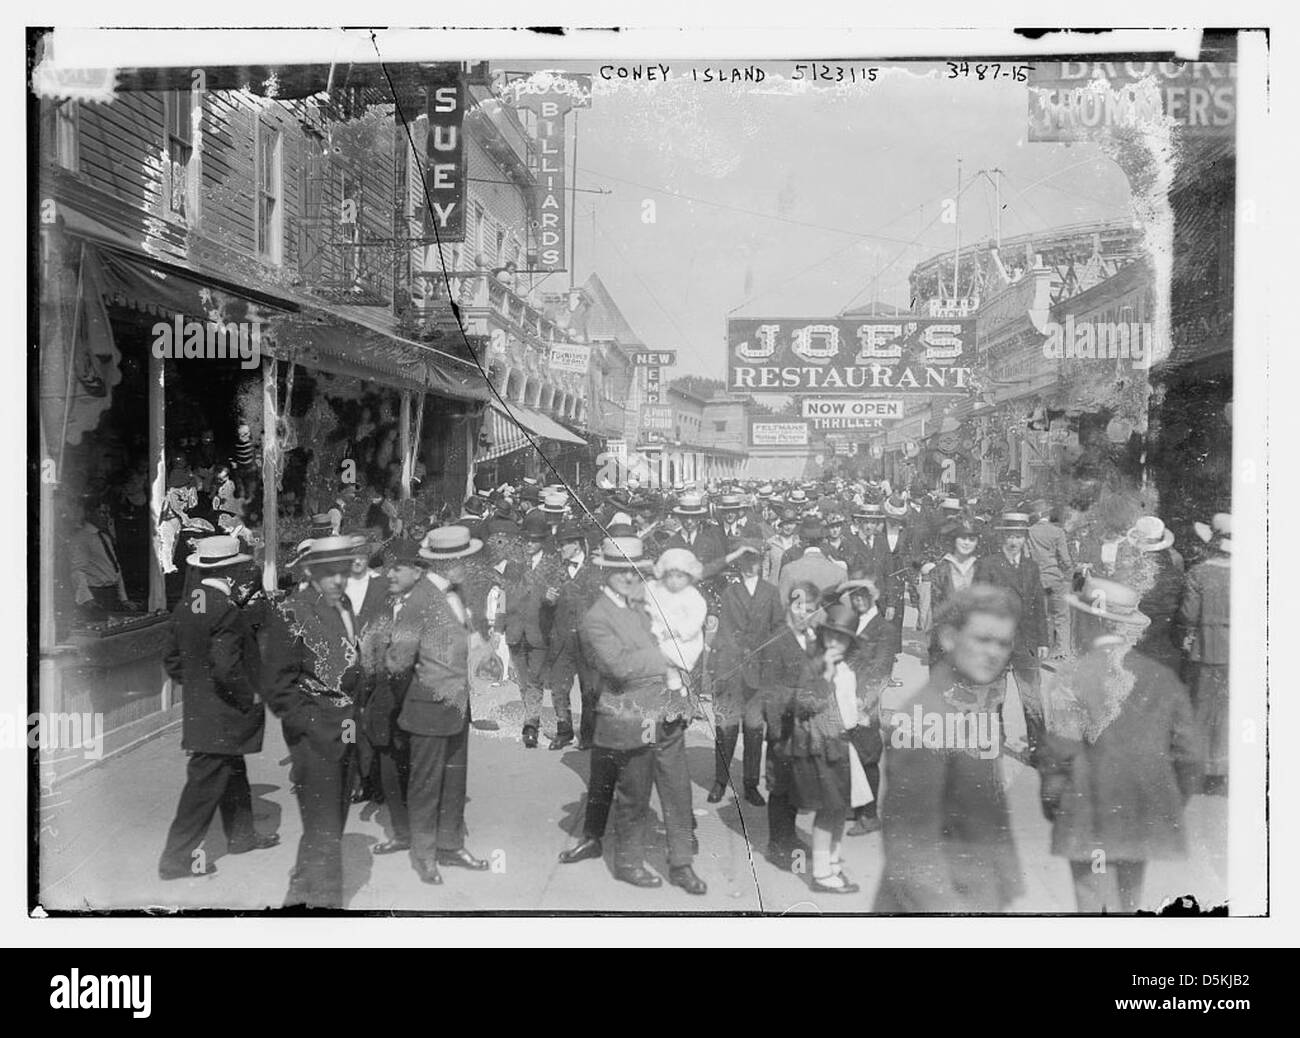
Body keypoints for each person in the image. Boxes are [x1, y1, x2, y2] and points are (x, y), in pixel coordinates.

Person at [1038, 577, 1205, 913]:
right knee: (1127, 907)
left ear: (1089, 620)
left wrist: (1054, 805)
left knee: (1092, 905)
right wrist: (1168, 800)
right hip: (1140, 812)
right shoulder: (1163, 677)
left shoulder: (1071, 676)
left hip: (1086, 811)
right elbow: (1191, 755)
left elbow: (1059, 754)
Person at [564, 535, 707, 894]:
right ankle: (628, 862)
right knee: (635, 793)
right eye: (620, 571)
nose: (629, 577)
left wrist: (684, 685)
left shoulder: (645, 604)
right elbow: (621, 667)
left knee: (677, 792)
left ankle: (681, 864)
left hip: (669, 712)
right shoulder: (597, 618)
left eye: (634, 571)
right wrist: (670, 652)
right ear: (605, 574)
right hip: (632, 717)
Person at [873, 586, 1025, 913]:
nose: (994, 653)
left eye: (1003, 643)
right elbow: (910, 847)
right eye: (982, 639)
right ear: (948, 639)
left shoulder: (969, 705)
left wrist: (1006, 890)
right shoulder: (925, 719)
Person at [157, 535, 278, 880]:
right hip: (224, 712)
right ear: (233, 571)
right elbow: (227, 666)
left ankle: (242, 836)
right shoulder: (225, 609)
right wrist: (248, 695)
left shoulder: (187, 604)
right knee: (203, 786)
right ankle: (176, 860)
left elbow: (172, 660)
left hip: (204, 710)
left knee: (232, 769)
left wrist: (199, 688)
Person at [262, 534, 372, 908]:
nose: (338, 580)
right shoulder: (291, 611)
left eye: (342, 571)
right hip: (315, 739)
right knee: (324, 829)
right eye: (329, 573)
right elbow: (277, 686)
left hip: (347, 729)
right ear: (309, 573)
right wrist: (309, 726)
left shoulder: (343, 605)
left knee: (330, 826)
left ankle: (299, 898)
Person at [398, 526, 492, 884]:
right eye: (464, 560)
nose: (468, 565)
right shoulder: (418, 599)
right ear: (447, 562)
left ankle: (450, 846)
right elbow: (399, 659)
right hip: (428, 707)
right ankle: (424, 855)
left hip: (457, 705)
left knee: (454, 782)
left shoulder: (457, 592)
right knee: (425, 785)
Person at [784, 602, 873, 893]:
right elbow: (804, 704)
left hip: (841, 742)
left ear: (849, 642)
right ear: (822, 637)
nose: (836, 642)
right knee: (827, 810)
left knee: (839, 808)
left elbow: (845, 704)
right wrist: (825, 675)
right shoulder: (815, 664)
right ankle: (821, 875)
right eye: (831, 636)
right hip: (821, 746)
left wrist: (857, 711)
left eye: (842, 637)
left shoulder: (845, 667)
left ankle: (833, 863)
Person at [356, 538, 433, 857]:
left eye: (399, 569)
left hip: (419, 696)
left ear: (417, 572)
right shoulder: (383, 602)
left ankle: (426, 833)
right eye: (390, 569)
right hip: (386, 697)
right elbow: (370, 644)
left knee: (420, 768)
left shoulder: (432, 604)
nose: (392, 575)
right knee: (389, 763)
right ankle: (401, 832)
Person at [708, 542, 783, 806]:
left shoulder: (771, 593)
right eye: (745, 560)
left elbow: (779, 630)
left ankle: (750, 784)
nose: (750, 565)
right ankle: (720, 781)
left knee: (754, 730)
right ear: (739, 563)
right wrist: (719, 670)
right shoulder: (729, 592)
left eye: (755, 561)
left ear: (762, 563)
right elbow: (722, 633)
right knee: (726, 729)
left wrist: (771, 663)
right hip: (731, 671)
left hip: (759, 673)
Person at [974, 512, 1050, 761]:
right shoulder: (988, 565)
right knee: (993, 696)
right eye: (1010, 535)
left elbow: (1039, 605)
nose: (1014, 541)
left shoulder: (1031, 567)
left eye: (1019, 536)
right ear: (1002, 537)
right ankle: (992, 742)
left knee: (1032, 698)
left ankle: (1039, 749)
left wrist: (1042, 641)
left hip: (1026, 641)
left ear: (1025, 538)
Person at [758, 581, 821, 871]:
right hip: (783, 726)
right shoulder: (777, 640)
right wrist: (774, 730)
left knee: (797, 785)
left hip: (806, 728)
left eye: (810, 609)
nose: (804, 614)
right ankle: (776, 844)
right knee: (780, 786)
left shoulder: (813, 639)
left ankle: (790, 837)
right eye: (798, 607)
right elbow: (770, 688)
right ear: (788, 607)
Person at [837, 572, 893, 836]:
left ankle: (870, 816)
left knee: (868, 755)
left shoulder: (884, 629)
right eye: (854, 596)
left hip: (865, 702)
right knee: (852, 753)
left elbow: (881, 669)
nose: (858, 600)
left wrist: (865, 703)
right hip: (847, 697)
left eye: (863, 595)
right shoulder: (853, 623)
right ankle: (856, 806)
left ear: (873, 597)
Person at [1180, 514, 1231, 794]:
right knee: (1227, 710)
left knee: (1201, 709)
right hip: (1236, 651)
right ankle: (1221, 771)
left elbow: (1188, 615)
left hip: (1205, 648)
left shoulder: (1198, 574)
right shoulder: (1248, 572)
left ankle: (1198, 768)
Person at [503, 509, 562, 748]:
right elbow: (504, 598)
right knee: (523, 679)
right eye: (526, 539)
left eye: (534, 540)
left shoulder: (552, 565)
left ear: (543, 541)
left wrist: (551, 598)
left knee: (535, 679)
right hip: (515, 629)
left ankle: (531, 724)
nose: (529, 543)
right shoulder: (513, 565)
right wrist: (499, 629)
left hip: (539, 631)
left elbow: (558, 595)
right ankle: (531, 716)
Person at [544, 520, 603, 750]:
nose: (560, 549)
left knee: (589, 690)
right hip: (561, 639)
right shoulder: (555, 570)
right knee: (559, 687)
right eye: (559, 544)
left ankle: (588, 735)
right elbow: (545, 602)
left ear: (577, 545)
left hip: (588, 642)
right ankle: (564, 731)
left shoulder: (595, 570)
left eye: (564, 544)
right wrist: (547, 599)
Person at [645, 548, 708, 696]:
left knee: (667, 653)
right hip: (658, 633)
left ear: (689, 577)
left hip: (682, 640)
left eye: (679, 577)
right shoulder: (657, 589)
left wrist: (677, 631)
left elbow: (696, 619)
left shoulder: (692, 595)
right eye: (670, 576)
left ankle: (676, 682)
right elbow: (647, 604)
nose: (674, 581)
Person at [925, 518, 982, 667]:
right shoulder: (941, 570)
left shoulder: (982, 569)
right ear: (954, 540)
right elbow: (937, 607)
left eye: (972, 539)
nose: (966, 543)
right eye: (962, 538)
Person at [69, 496, 135, 619]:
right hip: (95, 596)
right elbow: (77, 570)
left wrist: (123, 599)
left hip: (111, 594)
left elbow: (115, 568)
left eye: (108, 513)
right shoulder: (81, 538)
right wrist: (87, 600)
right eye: (102, 512)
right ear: (89, 513)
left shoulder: (104, 537)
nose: (106, 516)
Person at [1026, 500, 1075, 659]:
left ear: (1037, 515)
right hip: (1054, 578)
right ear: (1047, 514)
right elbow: (1066, 560)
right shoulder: (1057, 532)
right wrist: (1070, 573)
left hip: (1037, 579)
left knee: (1043, 615)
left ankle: (1044, 651)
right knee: (1061, 615)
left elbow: (1027, 556)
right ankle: (1062, 651)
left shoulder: (1029, 531)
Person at [778, 517, 848, 604]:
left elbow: (782, 604)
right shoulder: (840, 572)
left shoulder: (788, 570)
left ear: (801, 539)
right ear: (823, 540)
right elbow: (845, 609)